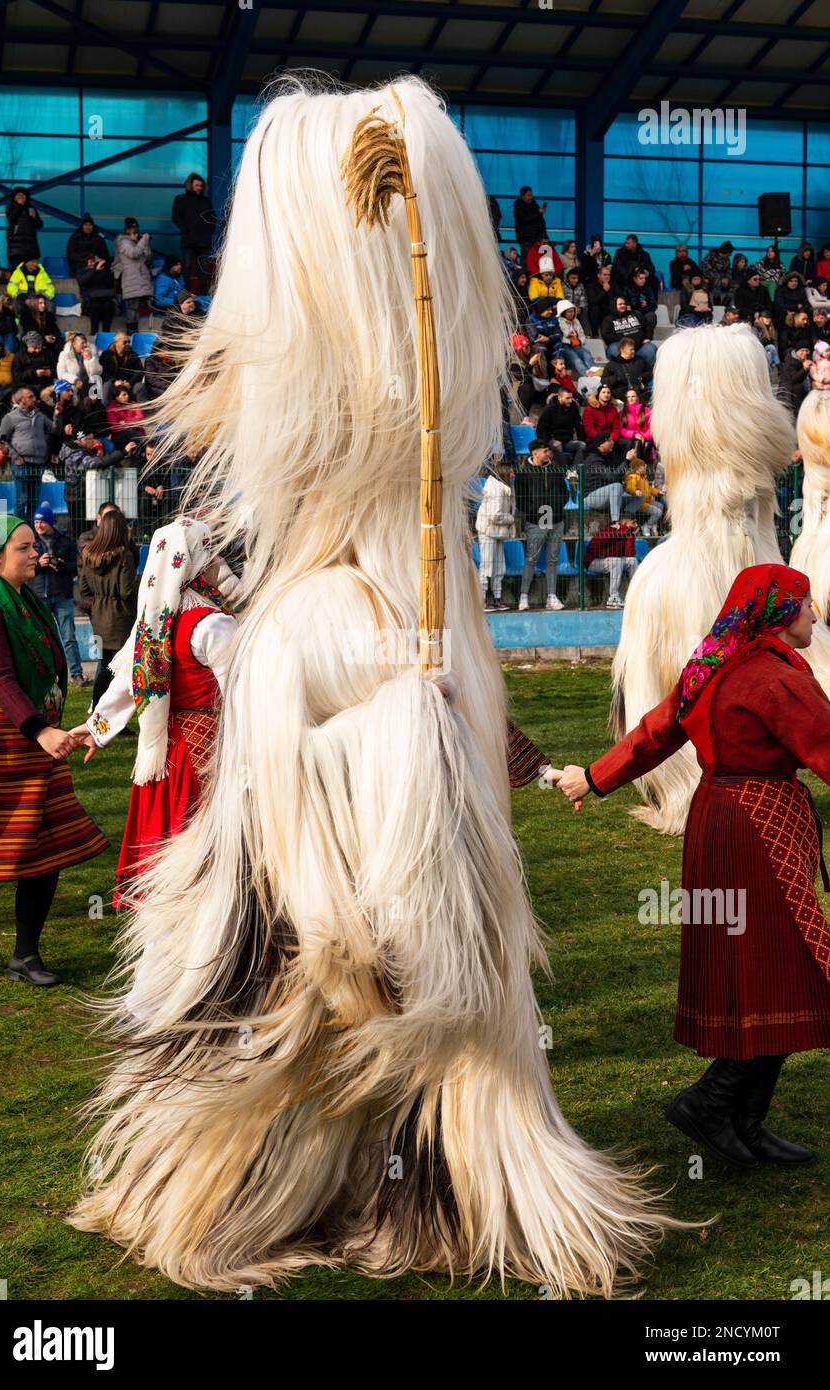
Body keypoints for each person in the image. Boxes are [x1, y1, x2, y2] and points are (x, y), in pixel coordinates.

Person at [70, 77, 678, 1298]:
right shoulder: (315, 614)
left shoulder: (388, 591)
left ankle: (417, 1163)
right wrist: (411, 730)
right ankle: (360, 1164)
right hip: (356, 698)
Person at [553, 564, 829, 1167]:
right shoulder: (774, 680)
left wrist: (593, 778)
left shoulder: (713, 666)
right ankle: (712, 1103)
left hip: (718, 823)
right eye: (805, 603)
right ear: (781, 614)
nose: (815, 613)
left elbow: (654, 733)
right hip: (759, 826)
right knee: (782, 964)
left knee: (759, 968)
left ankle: (744, 1122)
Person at [0, 515, 108, 986]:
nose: (34, 555)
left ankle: (26, 954)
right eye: (23, 548)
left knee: (47, 844)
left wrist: (56, 726)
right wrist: (38, 730)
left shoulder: (27, 602)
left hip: (33, 734)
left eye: (32, 546)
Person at [72, 517, 234, 902]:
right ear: (196, 562)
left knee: (170, 834)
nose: (218, 562)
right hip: (208, 749)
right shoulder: (213, 624)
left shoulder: (154, 625)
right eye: (211, 554)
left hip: (166, 750)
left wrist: (97, 727)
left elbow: (133, 684)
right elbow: (241, 693)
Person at [77, 508, 138, 707]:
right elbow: (127, 591)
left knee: (106, 667)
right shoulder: (124, 557)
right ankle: (110, 717)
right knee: (121, 671)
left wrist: (98, 605)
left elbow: (83, 589)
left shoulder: (89, 555)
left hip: (99, 618)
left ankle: (97, 709)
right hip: (121, 619)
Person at [30, 503, 87, 688]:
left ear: (50, 522)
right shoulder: (30, 542)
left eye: (41, 522)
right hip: (39, 596)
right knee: (40, 637)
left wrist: (62, 566)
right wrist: (38, 564)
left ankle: (76, 674)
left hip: (62, 595)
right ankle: (43, 674)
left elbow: (77, 568)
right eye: (36, 522)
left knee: (68, 637)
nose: (38, 525)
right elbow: (23, 567)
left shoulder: (66, 542)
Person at [514, 437, 565, 611]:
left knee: (553, 559)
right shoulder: (523, 473)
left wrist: (557, 507)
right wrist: (535, 512)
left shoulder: (555, 470)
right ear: (535, 453)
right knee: (531, 558)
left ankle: (552, 596)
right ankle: (523, 597)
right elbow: (521, 500)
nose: (549, 453)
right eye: (545, 451)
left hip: (556, 520)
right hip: (536, 522)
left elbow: (564, 493)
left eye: (549, 451)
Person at [0, 386, 58, 523]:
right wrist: (15, 456)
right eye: (30, 397)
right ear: (21, 400)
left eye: (34, 396)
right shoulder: (10, 418)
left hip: (38, 463)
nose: (34, 398)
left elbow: (55, 429)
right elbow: (0, 441)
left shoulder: (40, 415)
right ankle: (19, 530)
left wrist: (57, 415)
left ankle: (31, 532)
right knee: (22, 500)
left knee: (34, 501)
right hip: (21, 464)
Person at [476, 458, 515, 610]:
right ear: (505, 473)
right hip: (488, 530)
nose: (513, 474)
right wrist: (511, 519)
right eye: (511, 471)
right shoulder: (497, 490)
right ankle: (483, 598)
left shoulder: (506, 488)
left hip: (498, 530)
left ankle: (498, 597)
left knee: (500, 565)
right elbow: (495, 515)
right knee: (487, 564)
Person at [171, 173, 217, 294]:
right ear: (190, 185)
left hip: (203, 242)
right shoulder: (180, 199)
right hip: (188, 242)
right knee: (186, 269)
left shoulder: (205, 201)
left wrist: (208, 231)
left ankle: (203, 296)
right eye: (197, 185)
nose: (199, 188)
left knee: (203, 270)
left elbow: (212, 218)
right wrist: (186, 229)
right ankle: (185, 296)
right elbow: (175, 217)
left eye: (201, 186)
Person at [584, 515, 638, 608]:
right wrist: (625, 530)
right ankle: (613, 598)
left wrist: (630, 536)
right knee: (616, 561)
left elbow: (629, 554)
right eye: (633, 522)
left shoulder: (627, 533)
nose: (636, 525)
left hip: (611, 561)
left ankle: (637, 595)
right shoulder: (610, 529)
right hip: (593, 561)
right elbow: (595, 548)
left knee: (632, 561)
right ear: (625, 523)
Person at [113, 218, 152, 332]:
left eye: (137, 232)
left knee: (136, 308)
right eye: (134, 232)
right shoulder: (123, 242)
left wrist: (145, 242)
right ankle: (131, 332)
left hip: (139, 281)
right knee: (131, 307)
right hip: (131, 280)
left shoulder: (137, 242)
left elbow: (148, 257)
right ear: (128, 231)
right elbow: (133, 253)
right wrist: (143, 240)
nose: (137, 235)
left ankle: (135, 332)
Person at [582, 430, 629, 520]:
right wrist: (626, 461)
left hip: (604, 495)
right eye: (609, 440)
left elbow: (615, 475)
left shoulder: (606, 456)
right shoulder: (594, 460)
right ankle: (615, 523)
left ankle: (626, 522)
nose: (613, 442)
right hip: (591, 497)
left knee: (637, 497)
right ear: (601, 444)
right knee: (617, 486)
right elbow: (611, 477)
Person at [601, 298, 656, 368]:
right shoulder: (608, 319)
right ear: (614, 305)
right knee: (613, 349)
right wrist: (624, 341)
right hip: (621, 346)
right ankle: (626, 371)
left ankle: (646, 371)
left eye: (624, 304)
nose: (623, 306)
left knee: (651, 348)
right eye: (620, 304)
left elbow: (647, 326)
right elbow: (606, 335)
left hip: (639, 347)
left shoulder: (635, 314)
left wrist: (648, 337)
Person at [99, 330, 146, 403]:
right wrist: (114, 382)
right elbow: (102, 372)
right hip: (113, 387)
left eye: (129, 342)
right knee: (107, 386)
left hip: (128, 387)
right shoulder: (106, 355)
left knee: (140, 386)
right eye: (125, 342)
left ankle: (144, 412)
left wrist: (130, 383)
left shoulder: (133, 355)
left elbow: (140, 372)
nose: (127, 344)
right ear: (116, 342)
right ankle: (104, 412)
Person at [623, 454, 664, 535]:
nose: (645, 467)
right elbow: (630, 487)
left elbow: (649, 489)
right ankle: (647, 526)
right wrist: (635, 491)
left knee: (660, 505)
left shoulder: (643, 478)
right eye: (643, 466)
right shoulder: (633, 477)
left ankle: (653, 524)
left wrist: (658, 491)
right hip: (640, 504)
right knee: (658, 512)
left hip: (646, 502)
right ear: (638, 467)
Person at [77, 252, 115, 336]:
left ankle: (106, 333)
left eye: (94, 261)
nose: (93, 263)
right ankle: (94, 332)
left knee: (109, 305)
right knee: (95, 306)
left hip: (104, 299)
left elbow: (109, 285)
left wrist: (109, 271)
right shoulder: (82, 272)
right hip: (89, 302)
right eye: (90, 261)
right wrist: (94, 271)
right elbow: (82, 281)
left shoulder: (102, 271)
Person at [57, 332, 104, 399]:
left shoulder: (91, 352)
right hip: (72, 384)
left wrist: (90, 360)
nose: (85, 345)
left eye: (85, 343)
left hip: (88, 383)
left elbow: (97, 372)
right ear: (74, 344)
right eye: (82, 343)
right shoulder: (64, 354)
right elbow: (61, 374)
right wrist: (75, 380)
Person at [5, 189, 42, 269]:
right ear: (14, 197)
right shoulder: (11, 207)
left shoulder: (31, 208)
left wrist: (35, 217)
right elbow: (11, 218)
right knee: (17, 270)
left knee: (30, 271)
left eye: (23, 195)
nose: (21, 197)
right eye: (19, 195)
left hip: (30, 244)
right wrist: (19, 205)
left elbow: (39, 225)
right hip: (16, 244)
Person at [65, 213, 109, 277]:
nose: (88, 227)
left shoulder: (98, 238)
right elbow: (71, 255)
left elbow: (105, 254)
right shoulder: (75, 237)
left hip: (96, 267)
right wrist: (86, 259)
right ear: (82, 226)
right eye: (85, 225)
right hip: (80, 267)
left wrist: (96, 259)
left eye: (90, 225)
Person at [512, 185, 547, 261]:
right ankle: (524, 272)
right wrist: (538, 213)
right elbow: (524, 220)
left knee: (537, 259)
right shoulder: (518, 207)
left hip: (537, 238)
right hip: (525, 239)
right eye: (528, 195)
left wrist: (544, 235)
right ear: (522, 196)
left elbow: (540, 221)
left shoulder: (534, 204)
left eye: (531, 195)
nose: (531, 197)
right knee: (527, 258)